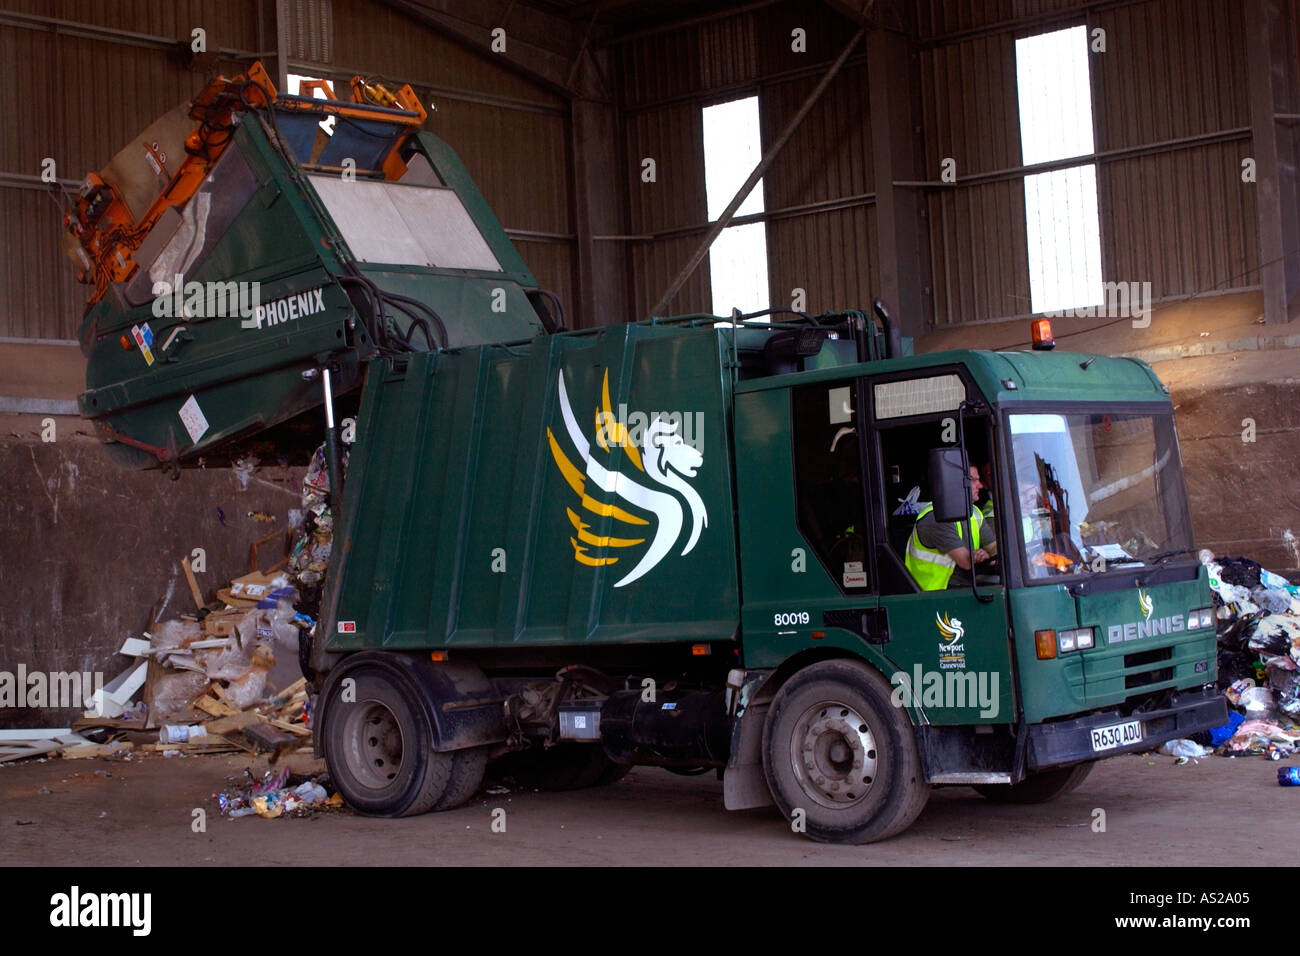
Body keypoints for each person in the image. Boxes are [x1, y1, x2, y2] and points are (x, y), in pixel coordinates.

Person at [905, 465, 998, 590]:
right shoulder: (937, 517)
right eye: (973, 480)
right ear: (953, 483)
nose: (980, 486)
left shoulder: (974, 513)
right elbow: (966, 562)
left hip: (961, 587)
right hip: (932, 596)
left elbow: (994, 548)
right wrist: (983, 556)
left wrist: (989, 555)